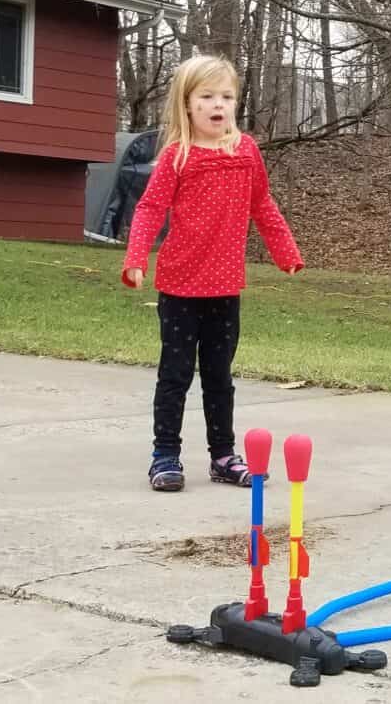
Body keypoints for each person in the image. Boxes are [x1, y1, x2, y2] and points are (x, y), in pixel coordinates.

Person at [121, 54, 303, 490]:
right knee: (175, 376)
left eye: (226, 96)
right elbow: (150, 208)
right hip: (180, 287)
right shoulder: (176, 157)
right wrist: (135, 259)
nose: (217, 104)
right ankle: (165, 456)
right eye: (206, 96)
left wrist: (285, 251)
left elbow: (262, 203)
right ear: (187, 104)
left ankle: (223, 456)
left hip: (225, 288)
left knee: (220, 378)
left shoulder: (246, 152)